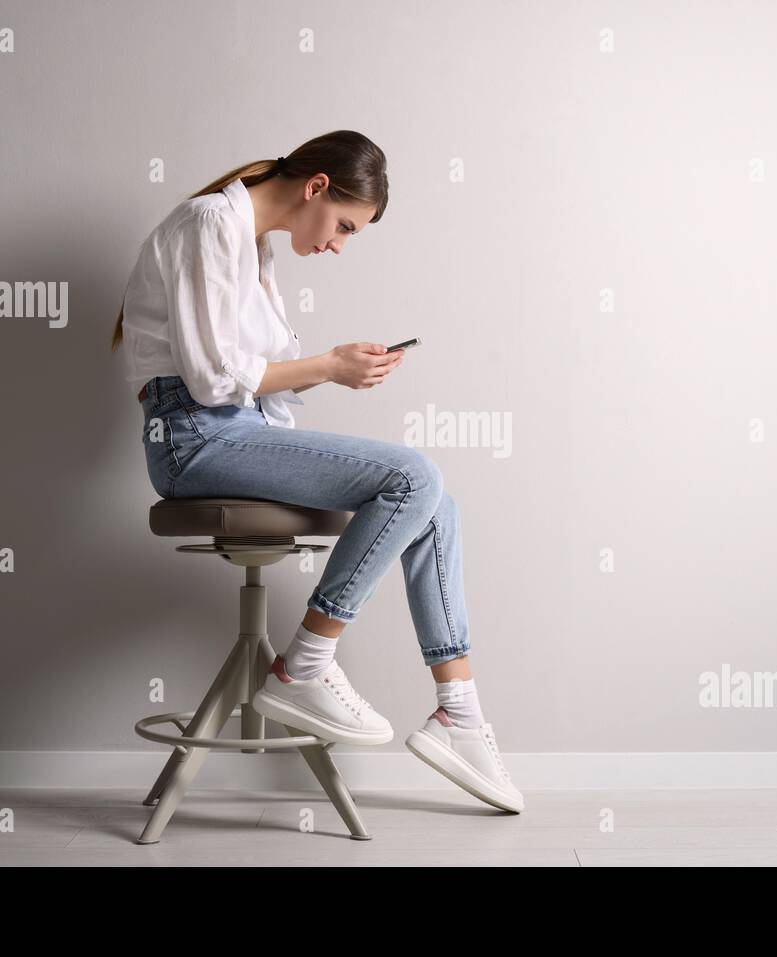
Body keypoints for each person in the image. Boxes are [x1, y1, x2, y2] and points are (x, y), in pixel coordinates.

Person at [112, 130, 523, 813]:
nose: (337, 244)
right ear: (316, 188)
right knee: (414, 476)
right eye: (345, 226)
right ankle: (303, 666)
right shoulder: (210, 222)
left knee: (433, 500)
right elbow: (214, 382)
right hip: (190, 441)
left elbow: (259, 389)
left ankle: (461, 714)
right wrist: (330, 366)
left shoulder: (254, 248)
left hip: (231, 433)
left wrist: (339, 372)